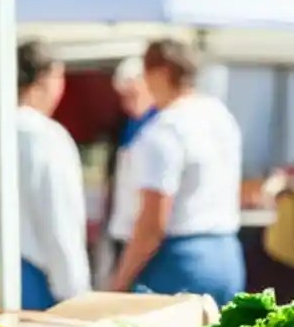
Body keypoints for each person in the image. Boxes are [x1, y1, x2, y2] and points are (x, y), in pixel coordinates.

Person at [0, 40, 89, 310]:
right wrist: (76, 294)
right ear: (45, 79)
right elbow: (60, 220)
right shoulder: (44, 136)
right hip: (29, 283)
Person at [111, 38, 244, 306]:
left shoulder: (163, 130)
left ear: (160, 74)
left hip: (178, 263)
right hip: (226, 255)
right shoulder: (220, 116)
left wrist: (118, 284)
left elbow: (152, 225)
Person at [103, 57, 158, 271]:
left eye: (132, 94)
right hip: (123, 230)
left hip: (141, 237)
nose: (127, 104)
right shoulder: (130, 126)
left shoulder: (159, 125)